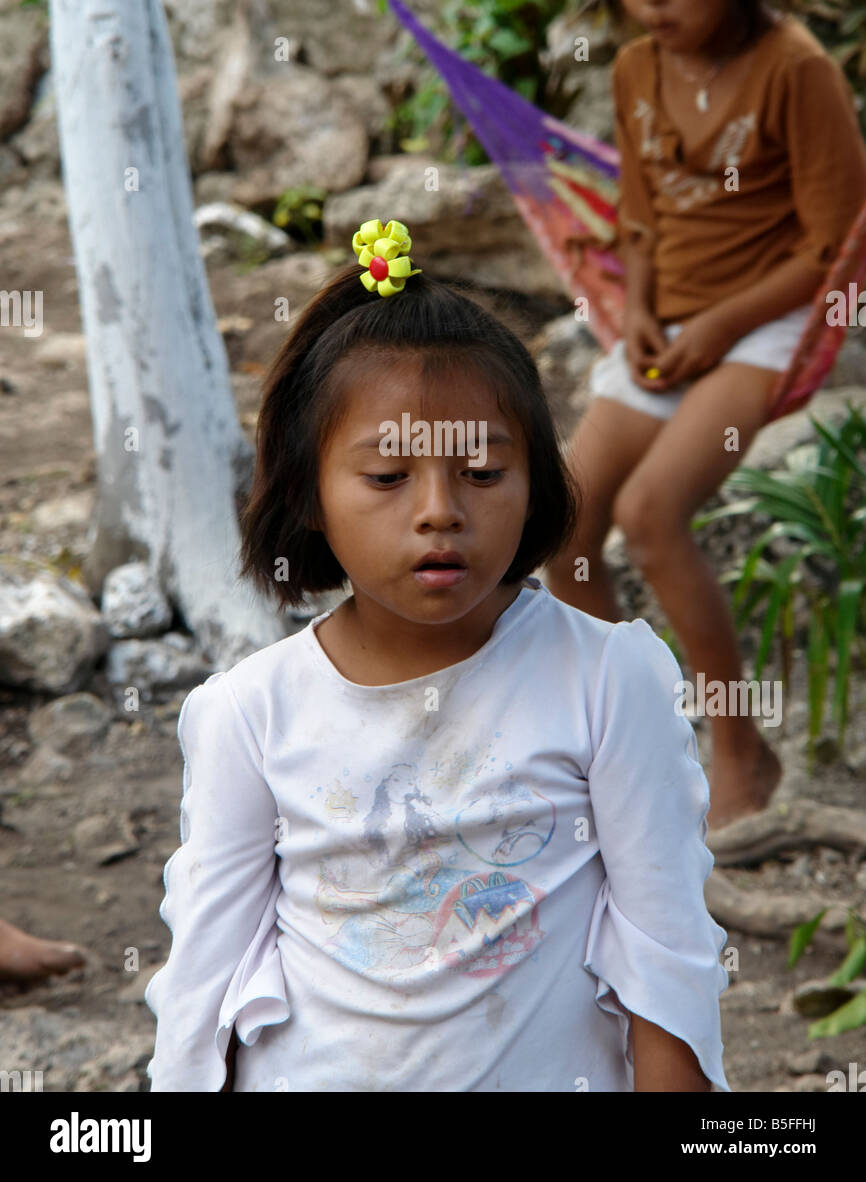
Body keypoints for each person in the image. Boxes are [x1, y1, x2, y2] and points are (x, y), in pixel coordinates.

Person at [145, 220, 730, 1092]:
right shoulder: (250, 713)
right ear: (307, 493)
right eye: (387, 479)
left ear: (535, 482)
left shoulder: (607, 680)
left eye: (484, 474)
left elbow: (668, 958)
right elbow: (205, 981)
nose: (439, 512)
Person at [546, 0, 866, 830]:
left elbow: (829, 250)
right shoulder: (637, 68)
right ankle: (639, 734)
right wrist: (639, 309)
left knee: (648, 513)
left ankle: (739, 748)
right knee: (560, 526)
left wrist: (711, 327)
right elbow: (632, 216)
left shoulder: (793, 70)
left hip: (762, 332)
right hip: (664, 327)